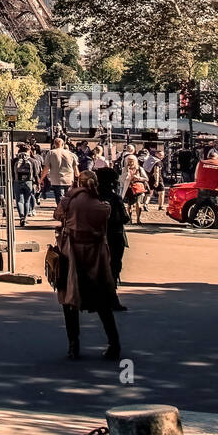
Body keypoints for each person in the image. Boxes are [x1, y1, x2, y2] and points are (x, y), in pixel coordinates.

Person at [54, 171, 121, 360]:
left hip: (71, 255)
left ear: (78, 182)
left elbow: (57, 215)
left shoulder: (69, 201)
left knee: (69, 302)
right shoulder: (101, 206)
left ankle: (73, 346)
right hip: (95, 258)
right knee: (103, 303)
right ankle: (114, 343)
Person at [96, 166, 130, 310]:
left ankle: (98, 297)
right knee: (113, 268)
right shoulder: (115, 198)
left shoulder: (93, 197)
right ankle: (111, 298)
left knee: (98, 267)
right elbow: (124, 218)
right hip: (114, 237)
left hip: (96, 237)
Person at [40, 136, 78, 207]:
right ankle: (68, 213)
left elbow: (46, 168)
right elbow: (76, 170)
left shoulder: (51, 153)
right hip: (69, 179)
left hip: (56, 179)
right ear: (63, 145)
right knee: (69, 197)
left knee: (59, 198)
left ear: (54, 145)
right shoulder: (71, 154)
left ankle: (62, 212)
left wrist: (41, 179)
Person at [11, 142, 37, 226]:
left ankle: (21, 217)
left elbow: (11, 172)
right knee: (27, 200)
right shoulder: (32, 160)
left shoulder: (14, 160)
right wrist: (38, 183)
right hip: (28, 182)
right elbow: (36, 174)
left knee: (19, 200)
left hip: (17, 181)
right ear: (28, 151)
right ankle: (25, 218)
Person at [119, 153, 148, 225]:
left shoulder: (140, 169)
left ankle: (138, 219)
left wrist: (139, 178)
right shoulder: (124, 169)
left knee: (138, 203)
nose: (130, 162)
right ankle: (130, 218)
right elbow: (121, 180)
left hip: (138, 188)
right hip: (129, 188)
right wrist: (127, 175)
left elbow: (146, 178)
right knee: (130, 204)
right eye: (128, 161)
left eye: (132, 161)